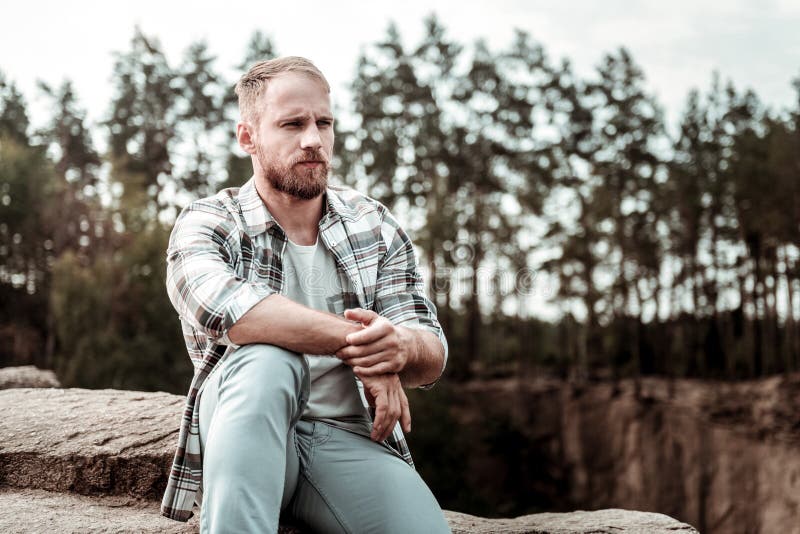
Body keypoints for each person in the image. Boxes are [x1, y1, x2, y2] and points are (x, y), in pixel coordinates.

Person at [160, 56, 451, 534]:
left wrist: (398, 347)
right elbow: (227, 312)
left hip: (348, 439)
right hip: (246, 424)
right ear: (248, 137)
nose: (314, 139)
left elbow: (430, 351)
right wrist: (363, 348)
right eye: (293, 124)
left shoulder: (373, 223)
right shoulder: (210, 222)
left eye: (324, 123)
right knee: (268, 361)